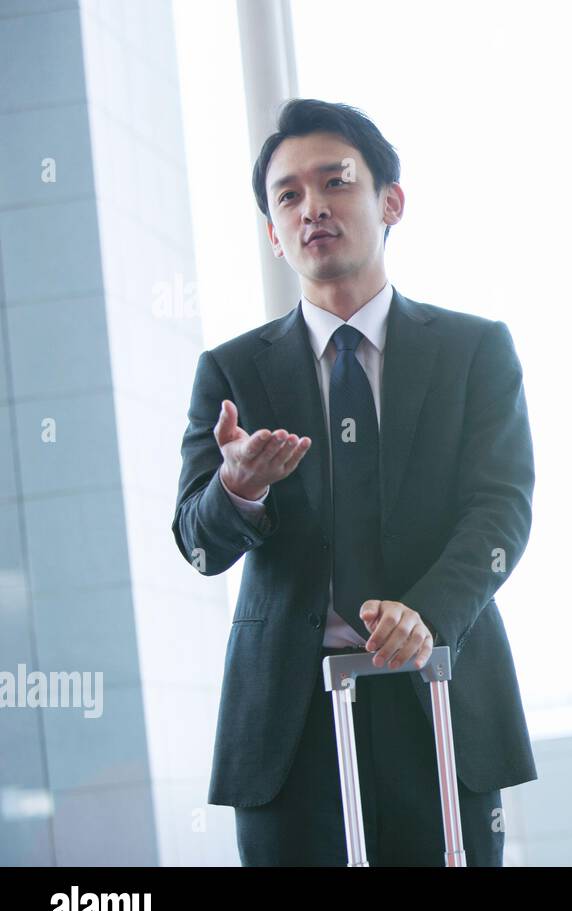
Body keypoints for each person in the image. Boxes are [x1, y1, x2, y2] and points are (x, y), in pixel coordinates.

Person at [171, 98, 537, 866]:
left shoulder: (474, 351)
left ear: (390, 201)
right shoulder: (232, 373)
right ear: (274, 235)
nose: (312, 208)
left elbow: (500, 512)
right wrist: (238, 490)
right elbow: (197, 546)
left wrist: (426, 616)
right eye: (288, 196)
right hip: (287, 728)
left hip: (435, 699)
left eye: (335, 182)